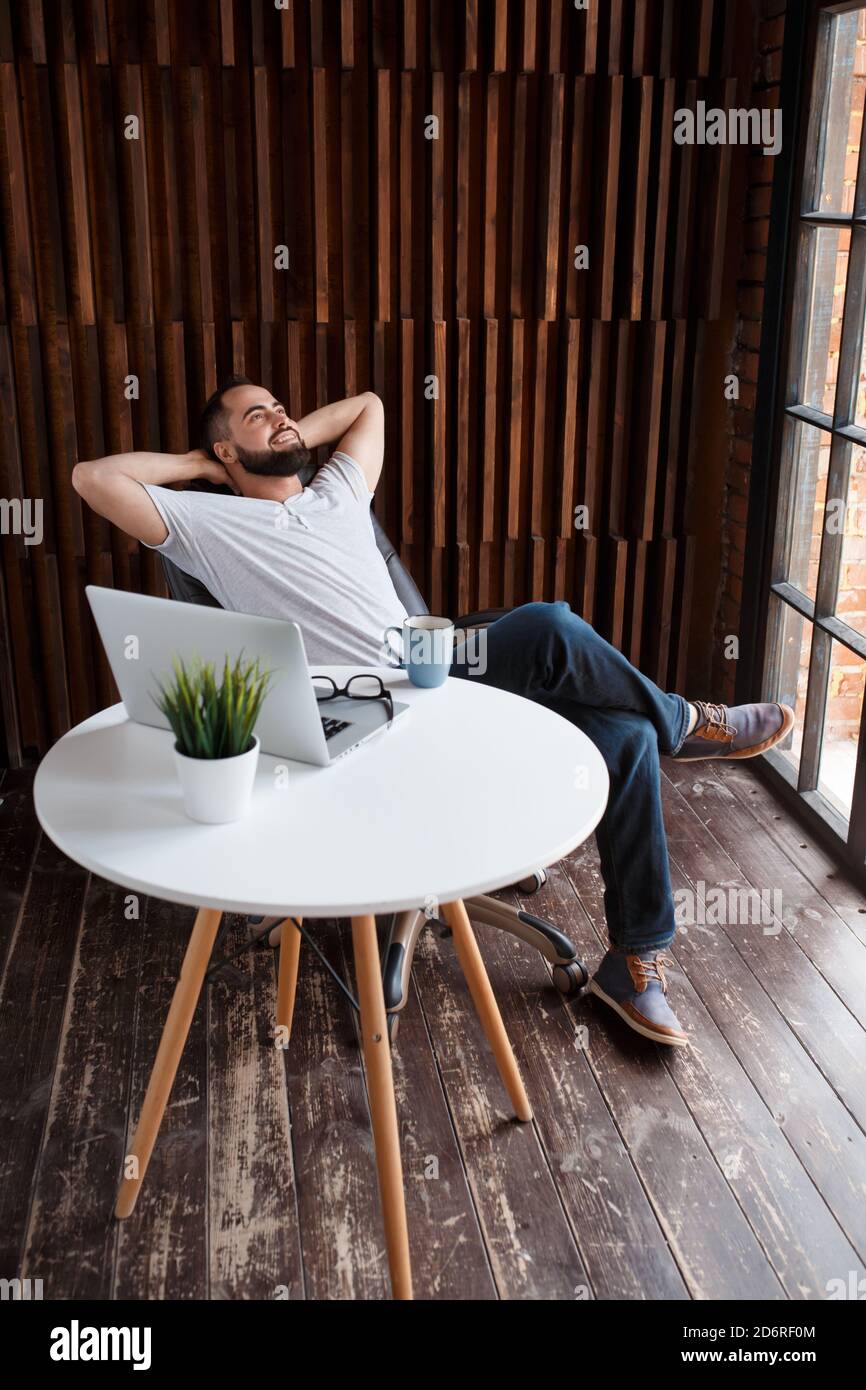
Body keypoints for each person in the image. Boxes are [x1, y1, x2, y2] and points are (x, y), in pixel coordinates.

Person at [72, 376, 794, 1049]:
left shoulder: (335, 493)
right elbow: (94, 479)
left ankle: (634, 958)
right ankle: (684, 726)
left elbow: (369, 406)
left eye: (284, 407)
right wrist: (201, 465)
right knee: (580, 667)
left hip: (437, 670)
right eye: (258, 414)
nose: (283, 416)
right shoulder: (204, 523)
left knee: (594, 689)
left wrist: (279, 433)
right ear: (225, 449)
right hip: (359, 711)